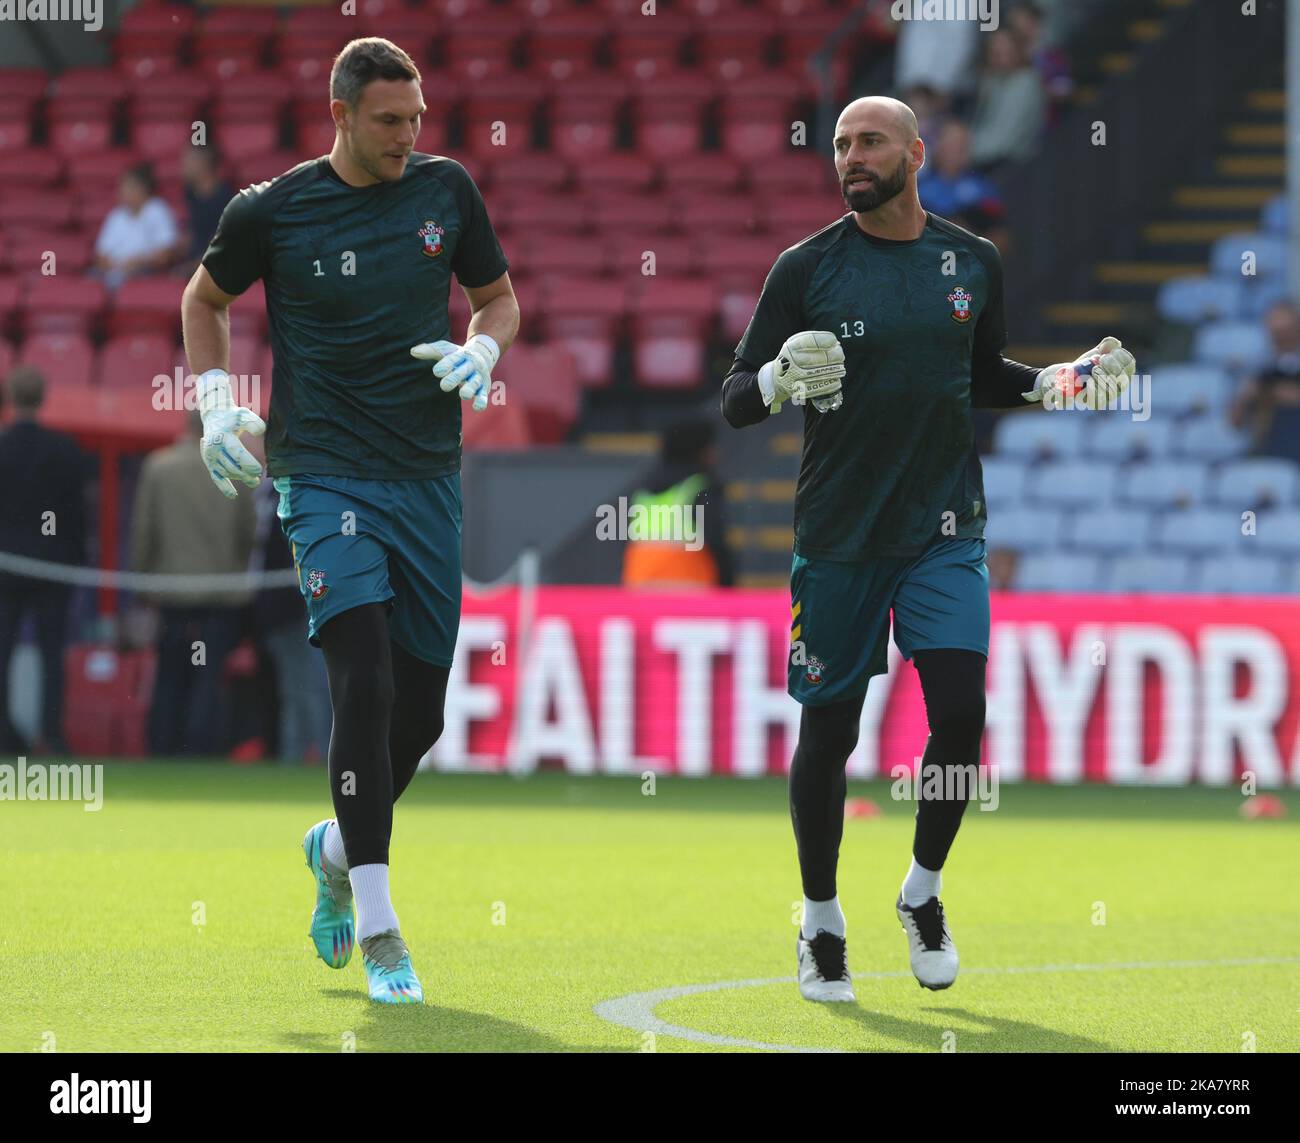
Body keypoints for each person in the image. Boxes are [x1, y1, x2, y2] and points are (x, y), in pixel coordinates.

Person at [720, 96, 1135, 1003]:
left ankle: (922, 892)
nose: (850, 157)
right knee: (830, 730)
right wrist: (780, 377)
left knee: (960, 715)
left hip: (946, 529)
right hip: (838, 535)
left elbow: (981, 375)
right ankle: (821, 919)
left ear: (915, 154)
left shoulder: (972, 262)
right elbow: (735, 396)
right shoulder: (805, 268)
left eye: (868, 142)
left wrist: (1062, 383)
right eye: (839, 145)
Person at [180, 37, 518, 1004]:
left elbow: (499, 301)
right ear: (339, 115)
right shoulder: (273, 211)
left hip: (424, 476)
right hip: (322, 474)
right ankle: (380, 925)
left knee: (419, 715)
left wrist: (483, 352)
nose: (408, 136)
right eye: (388, 121)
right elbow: (204, 298)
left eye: (416, 118)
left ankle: (332, 847)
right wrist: (212, 398)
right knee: (361, 675)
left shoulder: (447, 192)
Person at [129, 409, 257, 758]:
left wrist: (142, 580)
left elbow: (144, 530)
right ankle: (200, 748)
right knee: (208, 673)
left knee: (169, 673)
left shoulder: (159, 467)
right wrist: (234, 567)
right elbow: (248, 532)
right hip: (220, 593)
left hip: (172, 591)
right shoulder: (233, 467)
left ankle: (162, 745)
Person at [0, 367, 88, 755]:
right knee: (53, 652)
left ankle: (5, 734)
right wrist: (75, 559)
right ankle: (51, 733)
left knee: (2, 650)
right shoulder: (65, 449)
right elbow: (76, 515)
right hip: (53, 565)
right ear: (42, 397)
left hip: (6, 567)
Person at [250, 478, 332, 764]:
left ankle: (317, 756)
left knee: (309, 690)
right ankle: (300, 756)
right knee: (300, 689)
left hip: (299, 609)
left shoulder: (293, 493)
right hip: (286, 609)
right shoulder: (277, 493)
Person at [622, 415, 735, 589]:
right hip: (689, 591)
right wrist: (729, 586)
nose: (716, 454)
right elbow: (716, 543)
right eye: (711, 448)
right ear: (700, 451)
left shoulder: (642, 492)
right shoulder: (700, 488)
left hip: (641, 591)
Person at [1230, 300, 1300, 462]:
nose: (1280, 337)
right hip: (1267, 452)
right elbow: (1235, 422)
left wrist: (1288, 396)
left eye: (1286, 331)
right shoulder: (1256, 367)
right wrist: (1246, 397)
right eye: (1275, 332)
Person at [968, 28, 1047, 172]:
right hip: (986, 159)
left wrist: (960, 152)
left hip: (1013, 168)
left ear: (1018, 51)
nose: (1000, 57)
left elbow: (1001, 142)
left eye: (1006, 51)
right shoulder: (992, 80)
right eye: (995, 52)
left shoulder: (1026, 83)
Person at [93, 163, 178, 288]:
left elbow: (166, 254)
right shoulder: (116, 215)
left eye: (126, 186)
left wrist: (139, 262)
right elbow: (100, 256)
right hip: (112, 273)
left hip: (143, 273)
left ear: (141, 188)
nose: (121, 191)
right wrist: (116, 266)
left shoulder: (159, 210)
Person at [178, 144, 233, 276]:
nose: (183, 167)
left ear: (203, 165)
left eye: (188, 162)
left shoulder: (225, 201)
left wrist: (192, 266)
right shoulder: (190, 194)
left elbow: (222, 248)